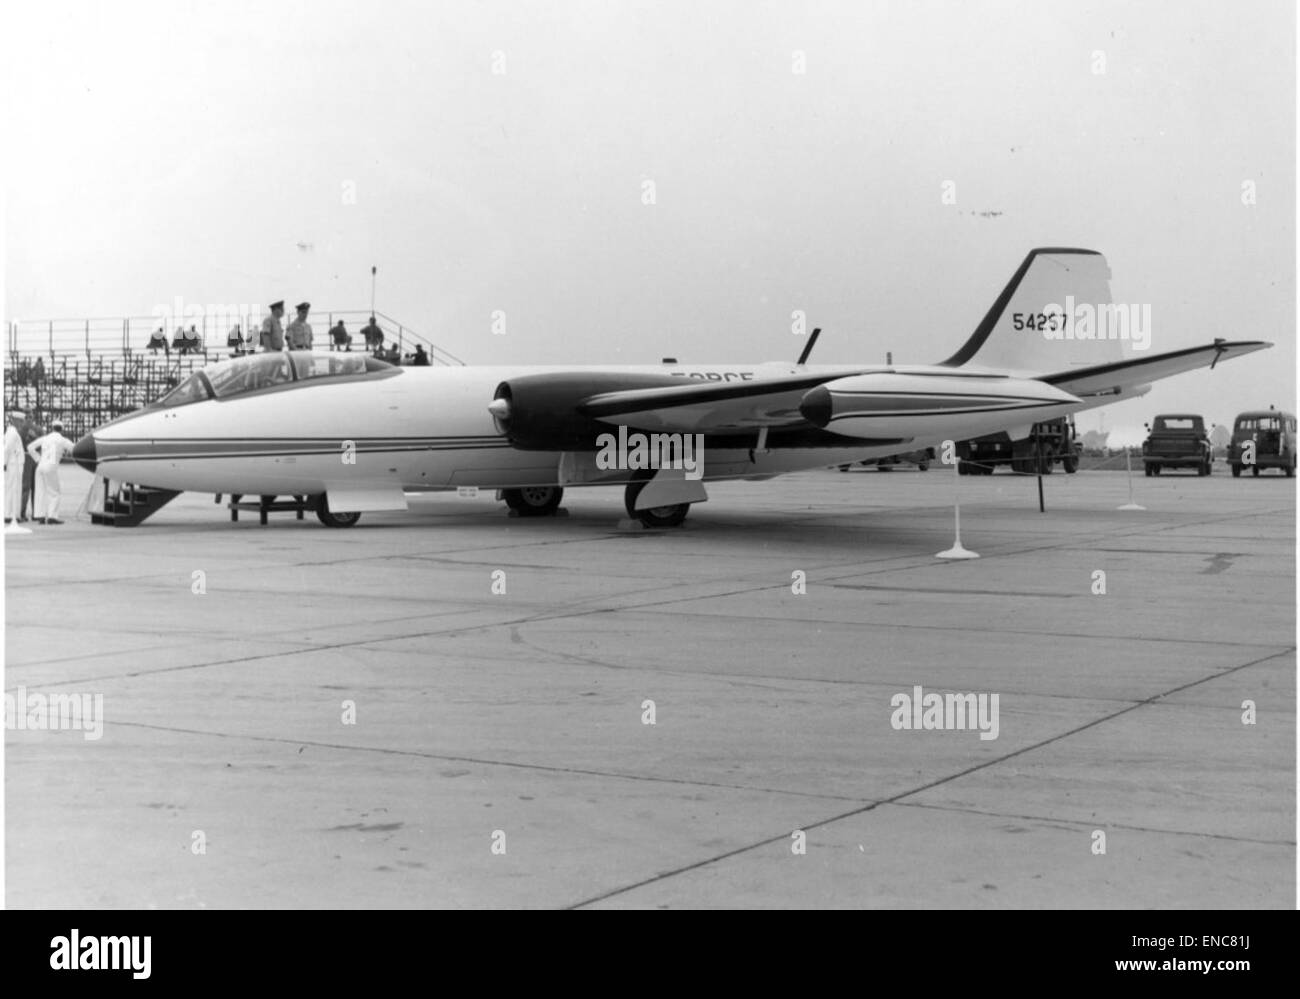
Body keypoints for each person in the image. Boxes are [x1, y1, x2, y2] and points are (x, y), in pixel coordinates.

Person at [27, 420, 77, 524]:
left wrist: (38, 459)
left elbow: (30, 447)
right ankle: (52, 517)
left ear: (52, 428)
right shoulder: (62, 440)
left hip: (40, 467)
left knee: (40, 492)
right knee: (54, 492)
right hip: (51, 466)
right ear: (61, 429)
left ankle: (40, 516)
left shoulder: (45, 438)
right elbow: (75, 448)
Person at [4, 409, 25, 524]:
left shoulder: (11, 431)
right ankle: (10, 515)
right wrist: (4, 463)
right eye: (21, 421)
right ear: (16, 421)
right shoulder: (12, 432)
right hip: (13, 465)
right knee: (13, 490)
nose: (22, 424)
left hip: (13, 465)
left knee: (12, 489)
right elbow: (7, 448)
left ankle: (10, 514)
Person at [20, 417, 40, 522]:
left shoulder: (20, 430)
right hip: (36, 458)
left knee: (25, 488)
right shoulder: (39, 429)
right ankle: (36, 514)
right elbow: (42, 443)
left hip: (25, 458)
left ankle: (22, 513)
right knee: (36, 488)